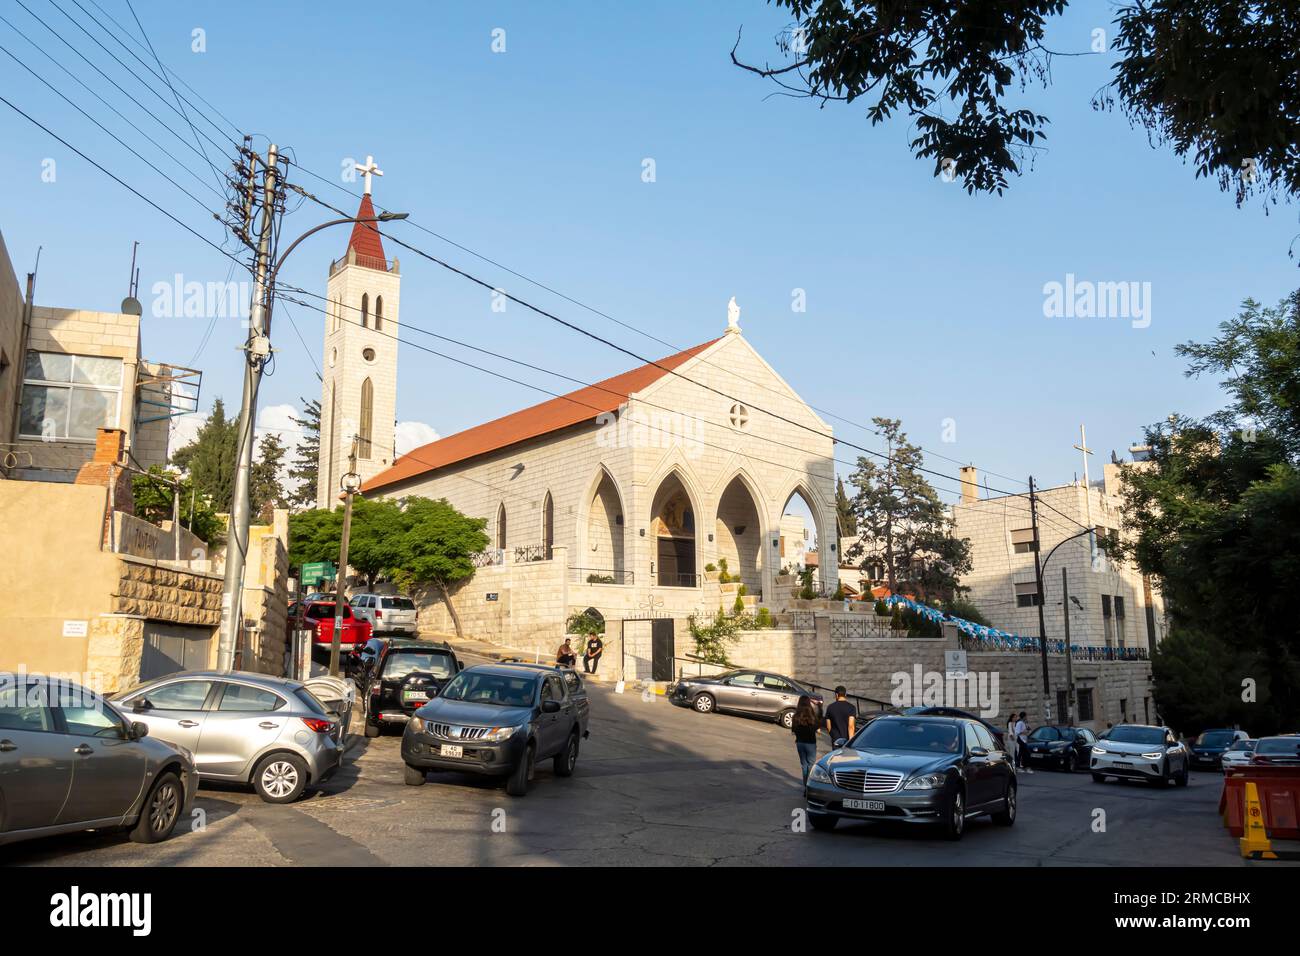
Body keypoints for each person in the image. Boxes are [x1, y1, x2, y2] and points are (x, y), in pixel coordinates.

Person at [791, 695, 820, 785]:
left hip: (800, 742)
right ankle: (809, 784)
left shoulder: (796, 716)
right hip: (811, 743)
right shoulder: (813, 717)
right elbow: (817, 727)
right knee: (811, 764)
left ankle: (805, 784)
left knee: (804, 765)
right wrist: (819, 706)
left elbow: (793, 730)